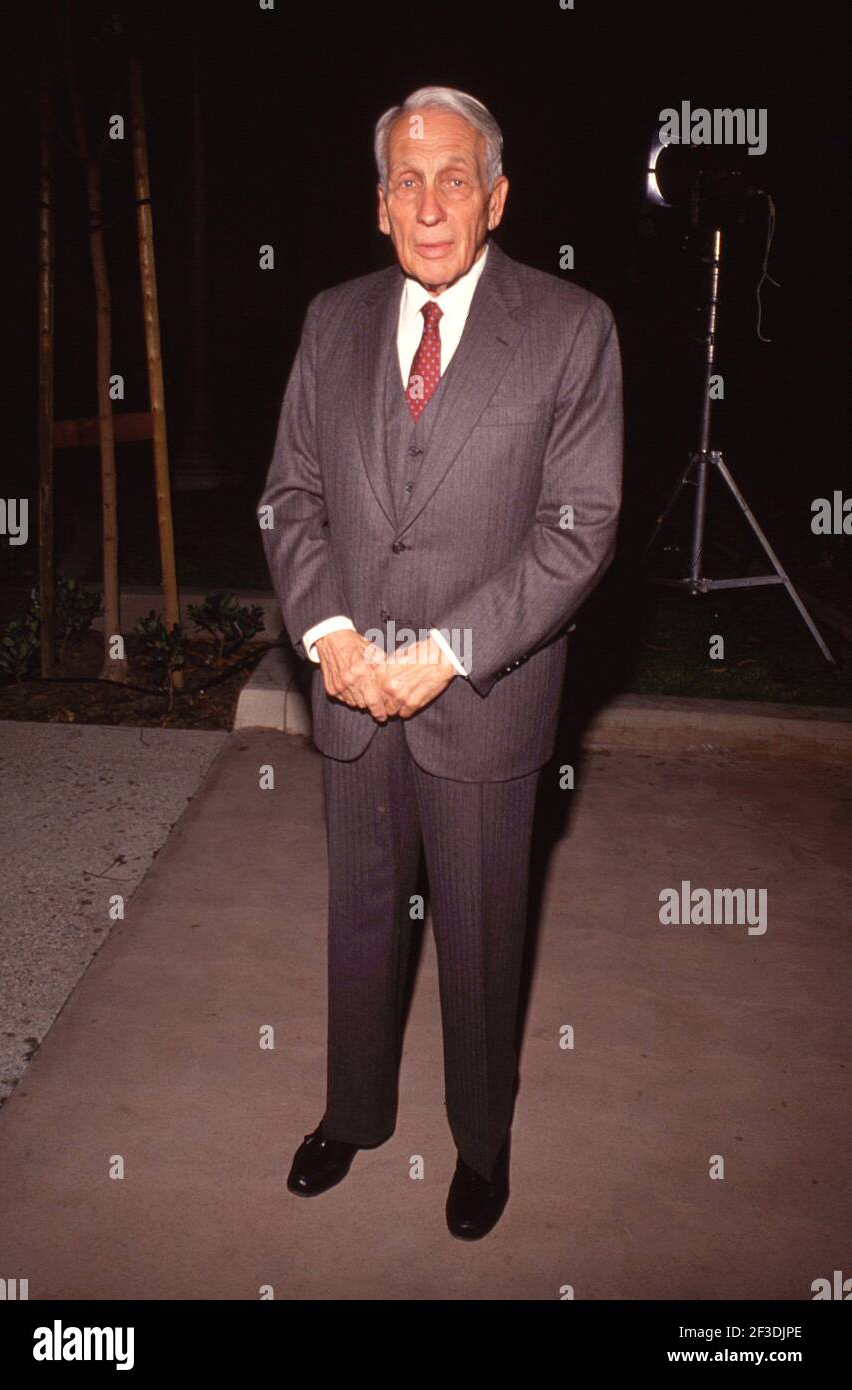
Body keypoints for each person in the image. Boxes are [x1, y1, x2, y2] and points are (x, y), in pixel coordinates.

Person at [257, 85, 623, 1240]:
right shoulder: (329, 321)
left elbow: (577, 528)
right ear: (377, 205)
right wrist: (328, 636)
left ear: (496, 196)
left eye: (453, 178)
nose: (429, 203)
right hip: (353, 694)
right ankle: (352, 1113)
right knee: (362, 918)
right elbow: (289, 498)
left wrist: (448, 655)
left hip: (487, 700)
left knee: (476, 933)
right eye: (405, 181)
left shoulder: (570, 328)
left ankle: (480, 1141)